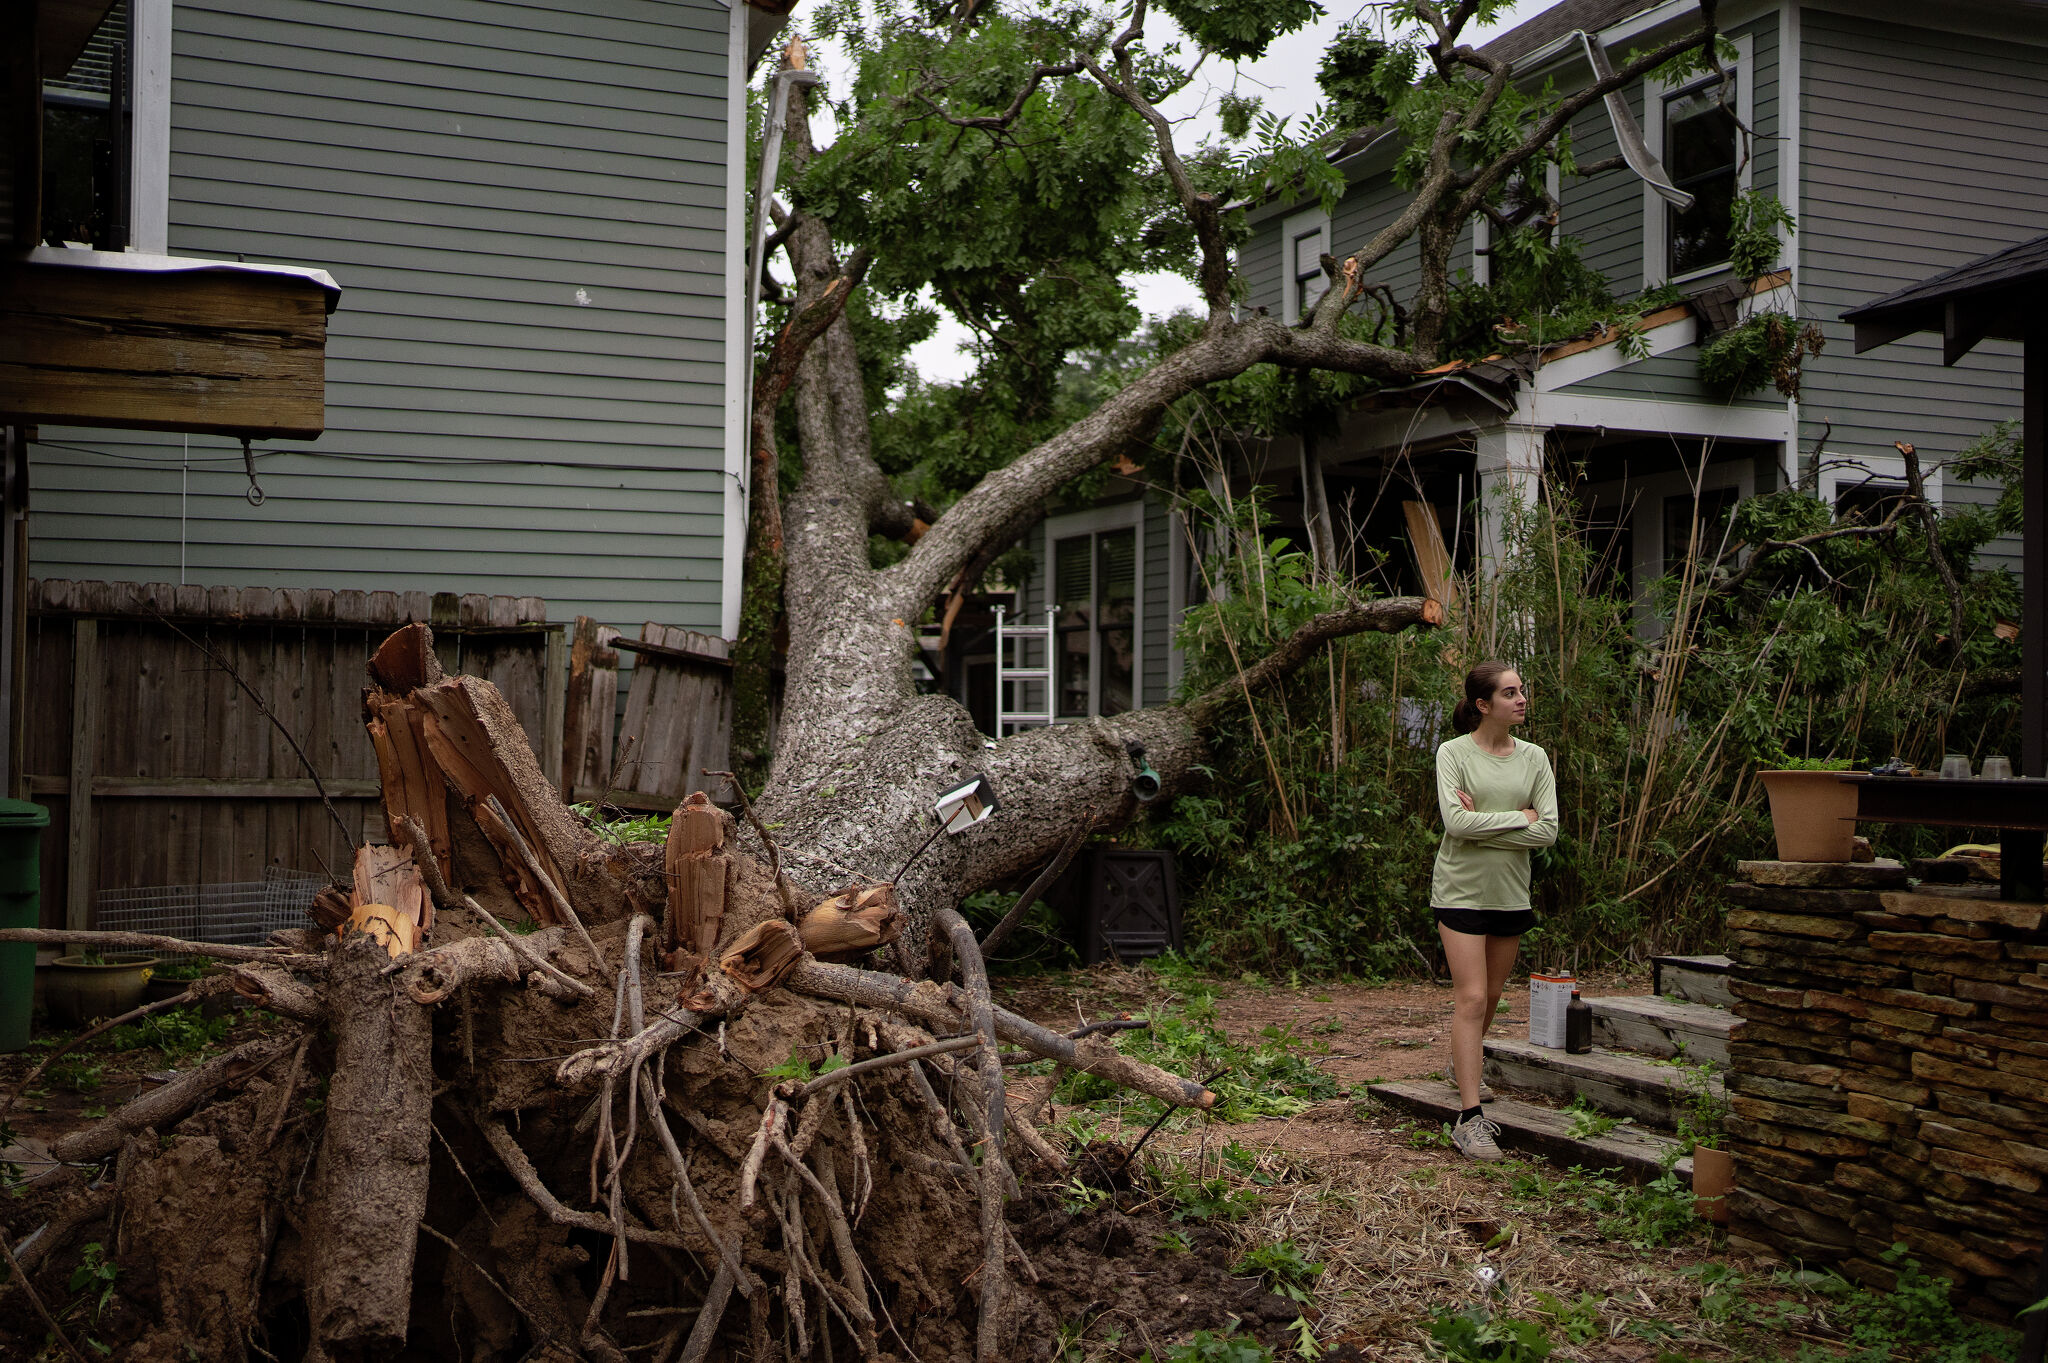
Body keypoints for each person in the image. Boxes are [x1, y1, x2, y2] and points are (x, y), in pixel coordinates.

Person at [1431, 661, 1557, 1161]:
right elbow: (1456, 825)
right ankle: (1469, 1119)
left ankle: (1458, 1063)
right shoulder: (1453, 753)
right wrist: (1517, 818)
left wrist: (1488, 820)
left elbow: (1547, 831)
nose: (1521, 699)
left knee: (1494, 995)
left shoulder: (1534, 758)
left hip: (1510, 893)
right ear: (1483, 705)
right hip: (1459, 890)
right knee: (1474, 997)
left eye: (1522, 690)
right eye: (1510, 692)